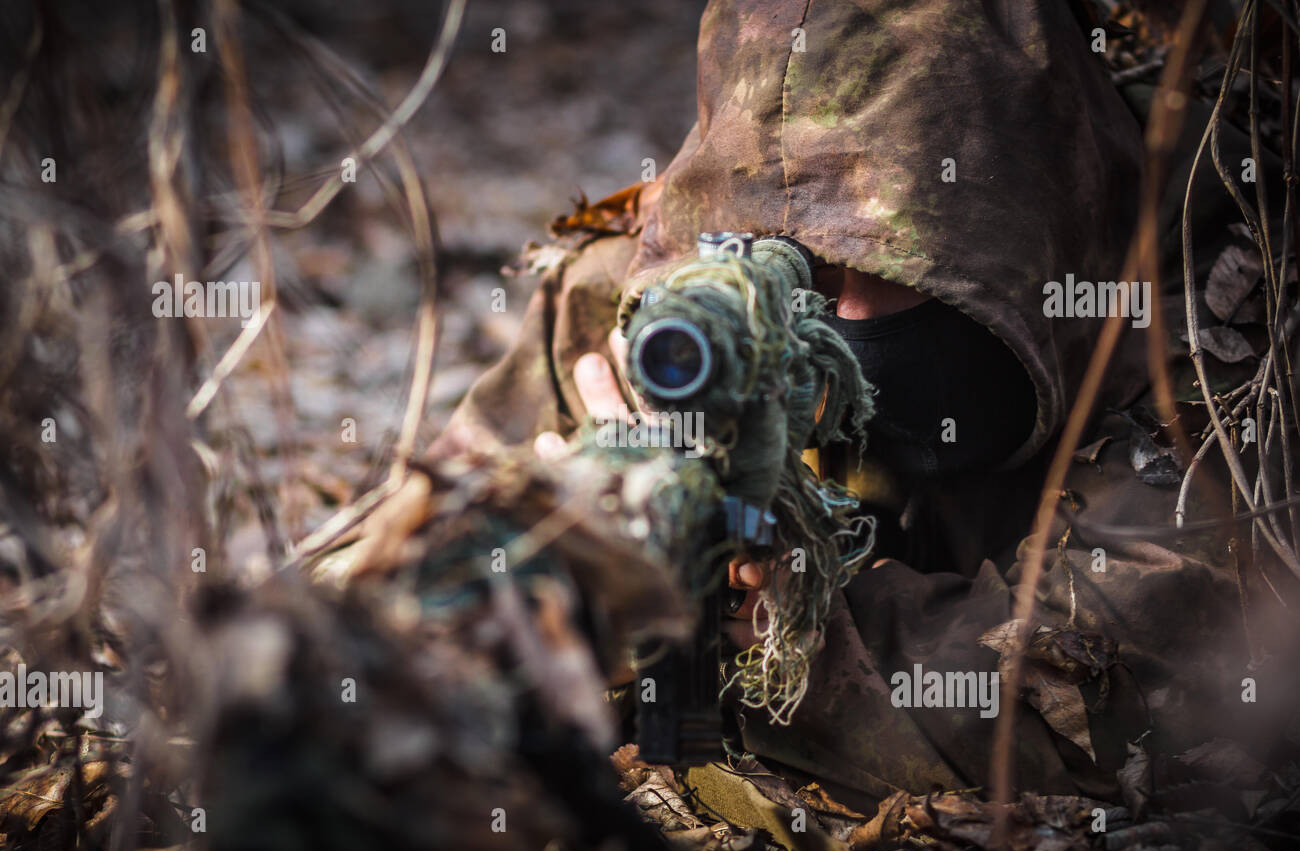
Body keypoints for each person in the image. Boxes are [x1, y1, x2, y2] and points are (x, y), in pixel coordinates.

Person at [416, 0, 1298, 807]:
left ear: (1004, 232)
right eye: (784, 268)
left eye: (872, 266)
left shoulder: (1200, 320)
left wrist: (789, 633)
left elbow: (1123, 703)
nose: (815, 326)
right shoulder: (643, 317)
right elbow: (399, 617)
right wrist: (561, 540)